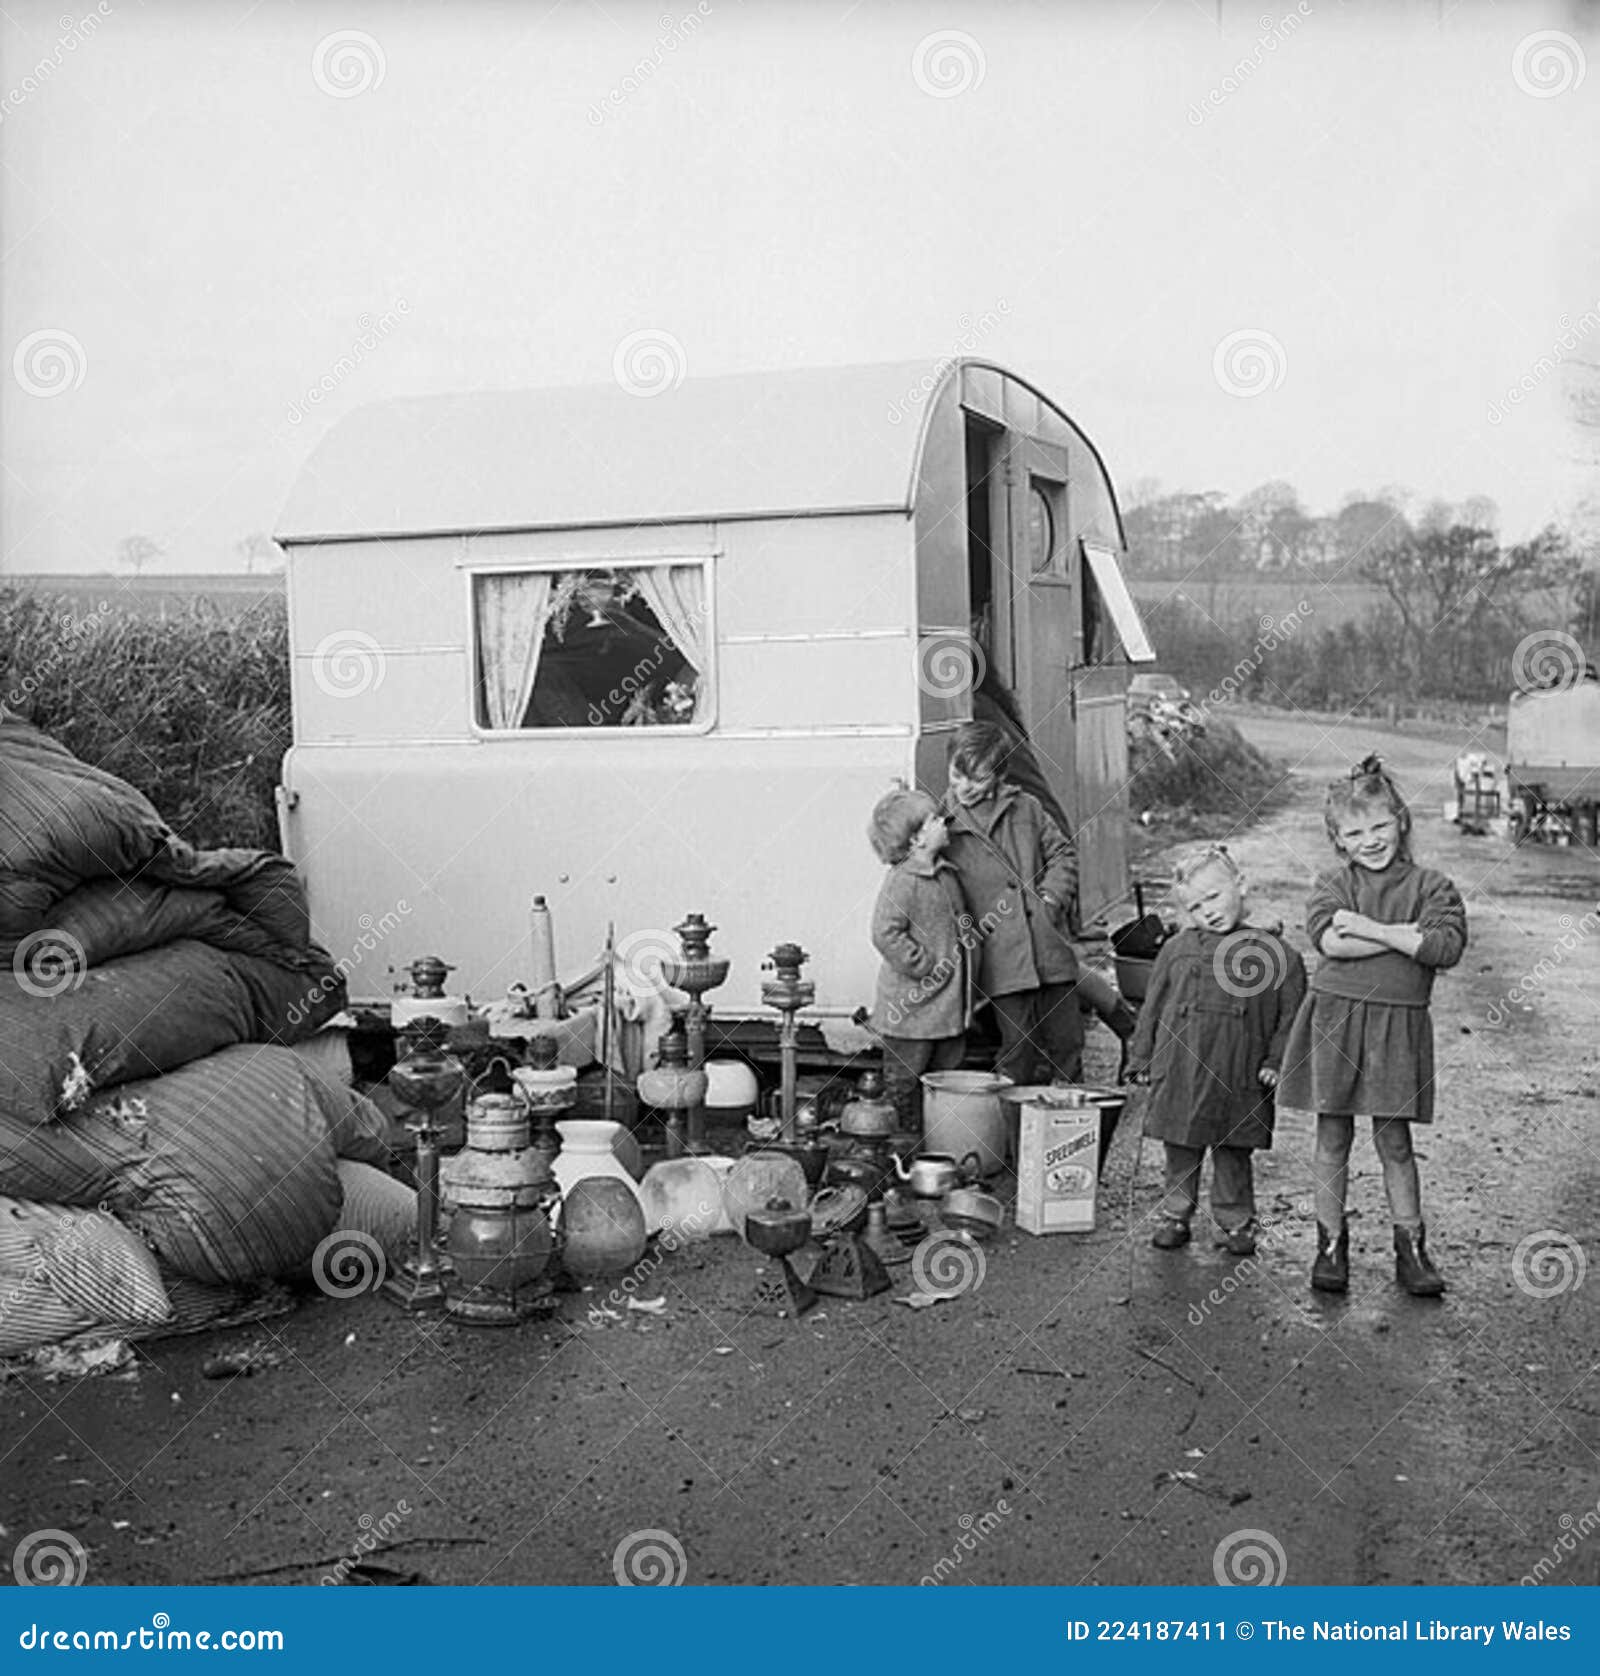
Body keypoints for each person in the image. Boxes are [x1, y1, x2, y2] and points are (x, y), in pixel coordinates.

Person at [1278, 755, 1467, 1297]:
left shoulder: (1434, 885)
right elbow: (1330, 940)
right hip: (1336, 1019)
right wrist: (1400, 935)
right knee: (1331, 1136)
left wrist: (1370, 928)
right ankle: (1330, 1246)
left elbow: (1441, 947)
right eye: (1355, 832)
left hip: (1398, 1028)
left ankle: (1411, 1251)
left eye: (1381, 825)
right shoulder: (1334, 882)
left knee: (1395, 1142)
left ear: (1401, 821)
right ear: (1338, 839)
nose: (1371, 840)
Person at [1124, 846, 1306, 1256]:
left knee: (1233, 1150)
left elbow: (1291, 1015)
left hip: (1238, 1071)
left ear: (1240, 886)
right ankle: (1175, 1214)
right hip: (1181, 1067)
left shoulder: (1275, 953)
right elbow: (1152, 1006)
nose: (1207, 911)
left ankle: (1235, 1222)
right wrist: (1141, 1057)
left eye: (1214, 897)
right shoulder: (1176, 949)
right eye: (1195, 906)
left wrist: (1277, 1060)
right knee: (1181, 1144)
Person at [972, 670, 1139, 1074]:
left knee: (1045, 962)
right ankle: (1122, 1022)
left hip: (1032, 844)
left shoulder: (972, 711)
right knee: (1047, 960)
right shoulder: (987, 702)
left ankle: (1120, 1026)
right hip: (1030, 840)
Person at [941, 722, 1083, 1087]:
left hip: (1048, 949)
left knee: (1067, 1045)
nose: (964, 786)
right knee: (1017, 1050)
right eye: (958, 774)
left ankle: (1071, 1134)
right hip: (1001, 958)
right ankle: (1016, 1136)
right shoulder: (942, 827)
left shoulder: (1028, 808)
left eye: (978, 778)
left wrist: (1050, 900)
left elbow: (1063, 853)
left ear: (1001, 775)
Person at [866, 787, 971, 1130]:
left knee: (945, 1081)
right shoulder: (903, 882)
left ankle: (938, 1148)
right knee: (904, 1088)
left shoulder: (944, 873)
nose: (944, 823)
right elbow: (885, 931)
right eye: (934, 820)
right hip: (909, 1012)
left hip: (945, 1005)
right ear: (916, 841)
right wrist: (924, 965)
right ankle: (903, 1155)